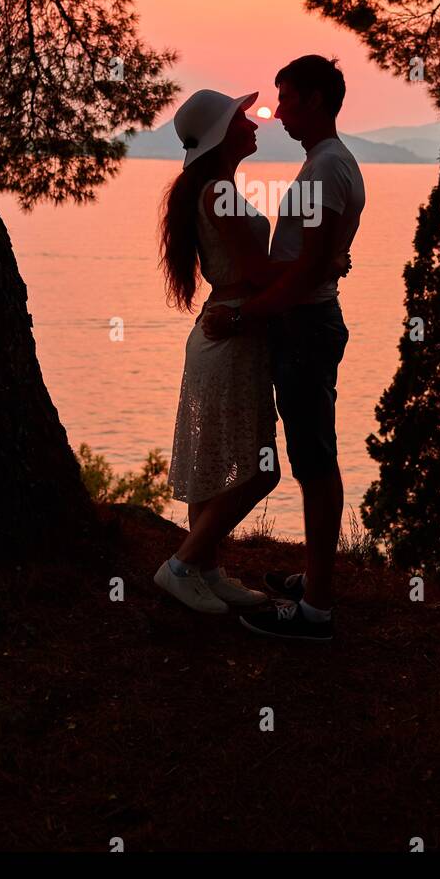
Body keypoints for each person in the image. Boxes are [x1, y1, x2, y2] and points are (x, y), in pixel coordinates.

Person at [156, 87, 350, 615]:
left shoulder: (215, 187)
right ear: (222, 133)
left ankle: (207, 570)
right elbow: (260, 272)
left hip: (224, 331)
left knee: (214, 460)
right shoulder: (218, 192)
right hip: (233, 335)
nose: (254, 120)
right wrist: (323, 262)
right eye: (242, 116)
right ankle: (181, 566)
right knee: (260, 470)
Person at [204, 56, 365, 643]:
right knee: (311, 456)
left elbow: (303, 275)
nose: (279, 112)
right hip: (305, 320)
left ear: (318, 99)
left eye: (289, 100)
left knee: (314, 461)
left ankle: (316, 611)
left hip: (306, 324)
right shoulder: (327, 164)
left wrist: (244, 311)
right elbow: (310, 261)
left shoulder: (325, 170)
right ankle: (314, 576)